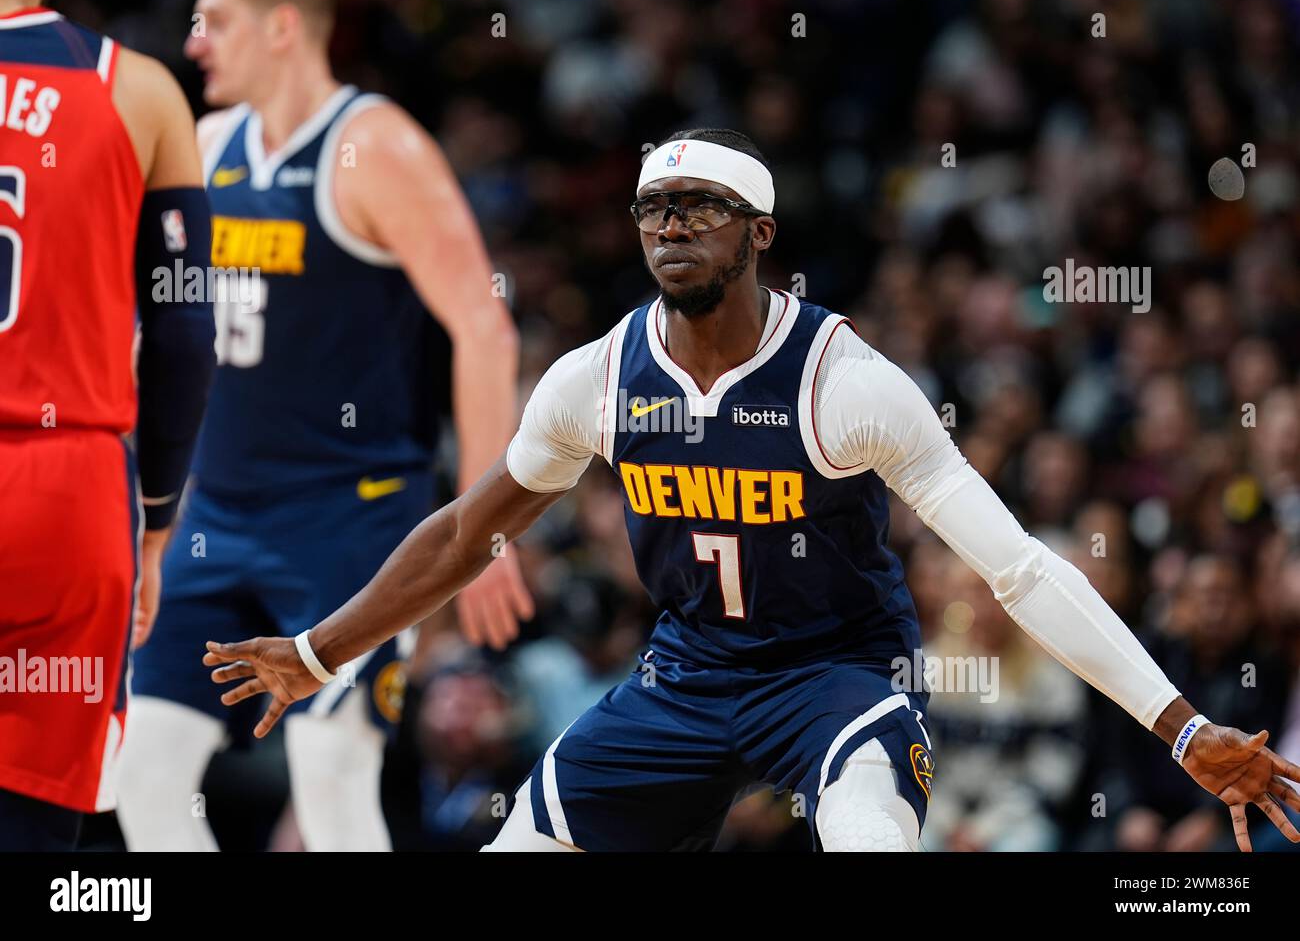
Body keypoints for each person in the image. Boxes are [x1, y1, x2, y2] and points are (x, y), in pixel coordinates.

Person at [205, 128, 1300, 851]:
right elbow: (462, 534)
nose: (670, 225)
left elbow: (1015, 567)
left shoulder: (849, 386)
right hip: (681, 678)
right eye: (653, 209)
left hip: (834, 674)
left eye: (699, 206)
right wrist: (315, 651)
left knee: (870, 835)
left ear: (759, 232)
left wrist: (1180, 722)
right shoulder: (596, 377)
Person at [118, 0, 530, 852]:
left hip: (350, 520)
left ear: (282, 25)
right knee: (143, 780)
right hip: (215, 517)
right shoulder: (204, 144)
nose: (195, 46)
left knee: (332, 781)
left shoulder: (374, 146)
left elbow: (482, 327)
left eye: (215, 22)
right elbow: (157, 328)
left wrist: (486, 525)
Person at [0, 0, 216, 849]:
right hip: (70, 489)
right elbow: (184, 327)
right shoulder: (139, 88)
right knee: (35, 828)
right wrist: (156, 524)